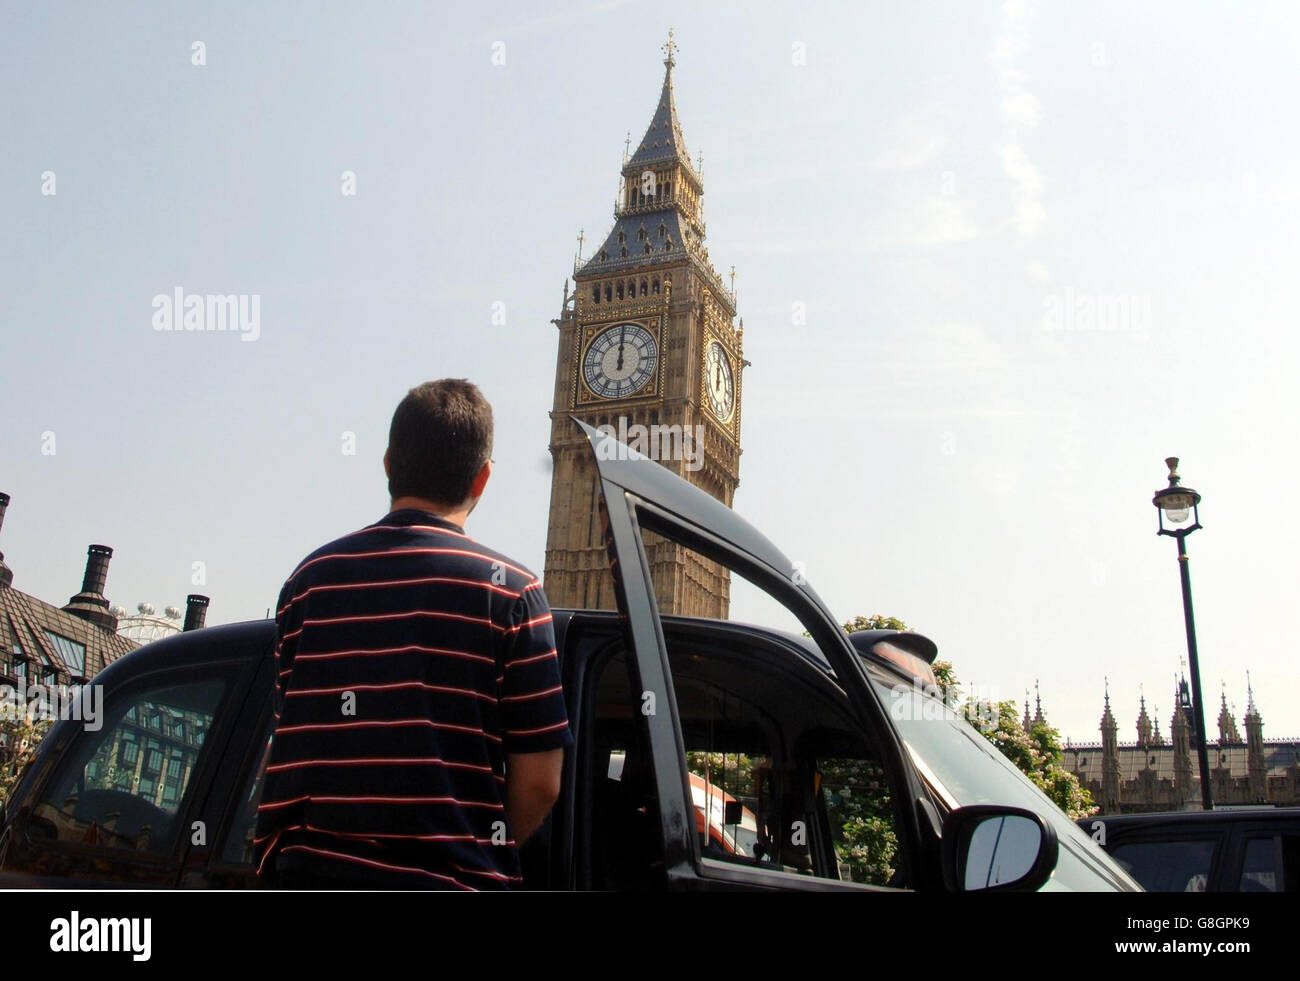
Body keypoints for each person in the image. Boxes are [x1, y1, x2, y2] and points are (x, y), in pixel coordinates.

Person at [252, 379, 570, 890]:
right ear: (483, 478)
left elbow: (285, 743)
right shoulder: (514, 594)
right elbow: (540, 783)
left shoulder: (308, 580)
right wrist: (472, 849)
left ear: (387, 464)